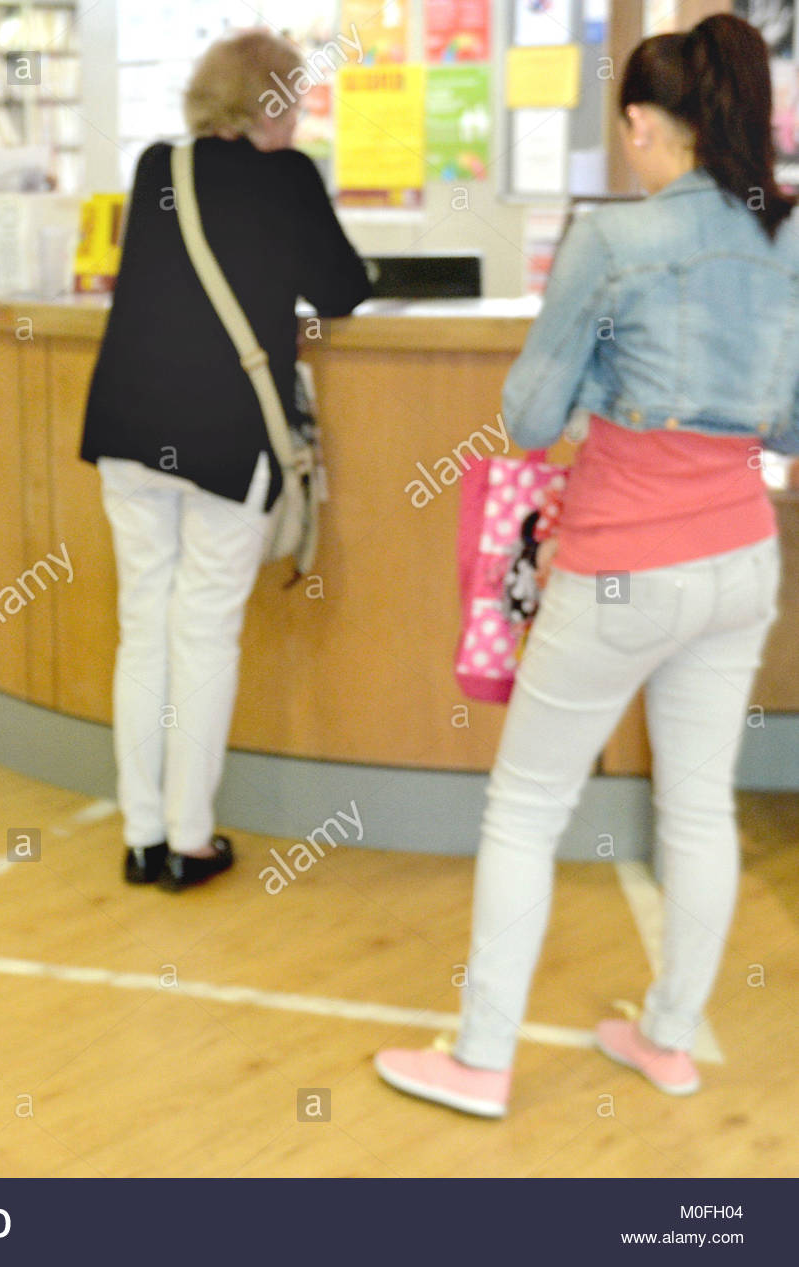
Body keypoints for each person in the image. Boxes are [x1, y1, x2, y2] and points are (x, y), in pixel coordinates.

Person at [376, 14, 799, 1117]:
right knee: (700, 805)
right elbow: (789, 428)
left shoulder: (614, 242)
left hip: (620, 567)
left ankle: (479, 1058)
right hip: (741, 562)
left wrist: (604, 394)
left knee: (523, 805)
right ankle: (666, 1038)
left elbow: (524, 413)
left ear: (647, 123)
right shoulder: (788, 239)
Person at [80, 29, 370, 892]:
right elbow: (344, 289)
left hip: (129, 428)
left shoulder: (154, 167)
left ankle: (140, 835)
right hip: (227, 435)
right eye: (300, 98)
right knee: (202, 627)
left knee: (145, 625)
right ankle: (189, 839)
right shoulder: (287, 178)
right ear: (272, 104)